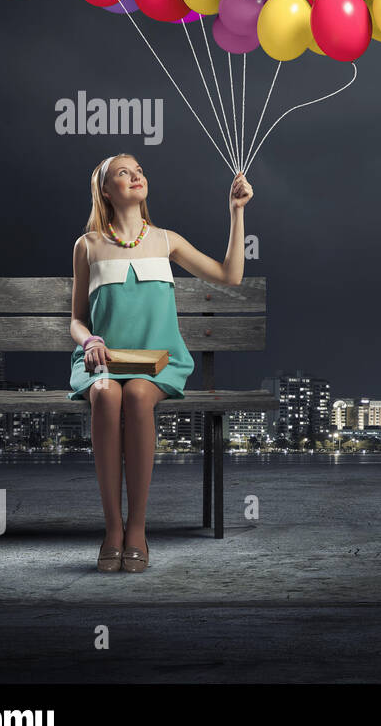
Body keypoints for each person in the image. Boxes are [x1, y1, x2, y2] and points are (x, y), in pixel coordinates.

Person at [68, 154, 253, 573]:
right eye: (123, 172)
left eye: (139, 170)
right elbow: (77, 320)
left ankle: (137, 529)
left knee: (136, 394)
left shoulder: (167, 240)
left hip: (159, 361)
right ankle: (112, 530)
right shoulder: (88, 246)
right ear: (105, 190)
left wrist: (236, 213)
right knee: (105, 393)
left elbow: (230, 276)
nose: (136, 176)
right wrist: (91, 339)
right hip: (103, 360)